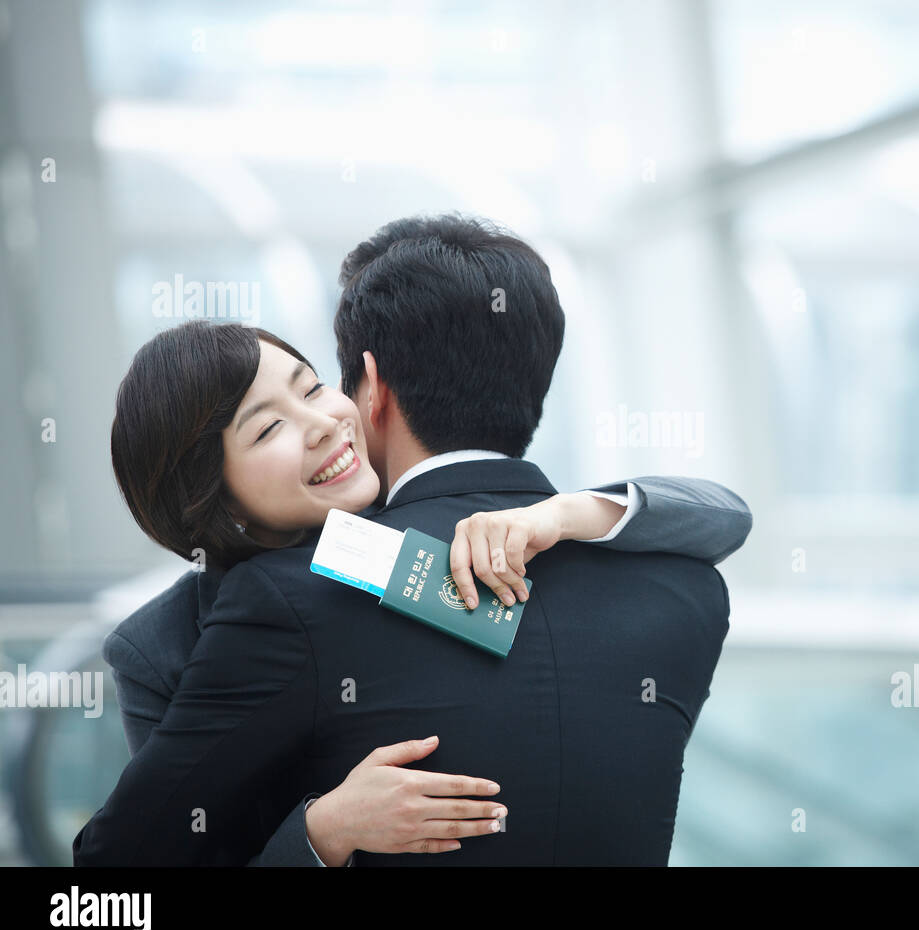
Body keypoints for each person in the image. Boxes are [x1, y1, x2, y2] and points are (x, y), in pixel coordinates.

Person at [74, 214, 739, 866]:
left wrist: (570, 514)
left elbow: (724, 514)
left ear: (372, 390)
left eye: (312, 388)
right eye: (265, 428)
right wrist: (323, 832)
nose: (320, 423)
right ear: (208, 493)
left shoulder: (389, 560)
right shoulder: (179, 637)